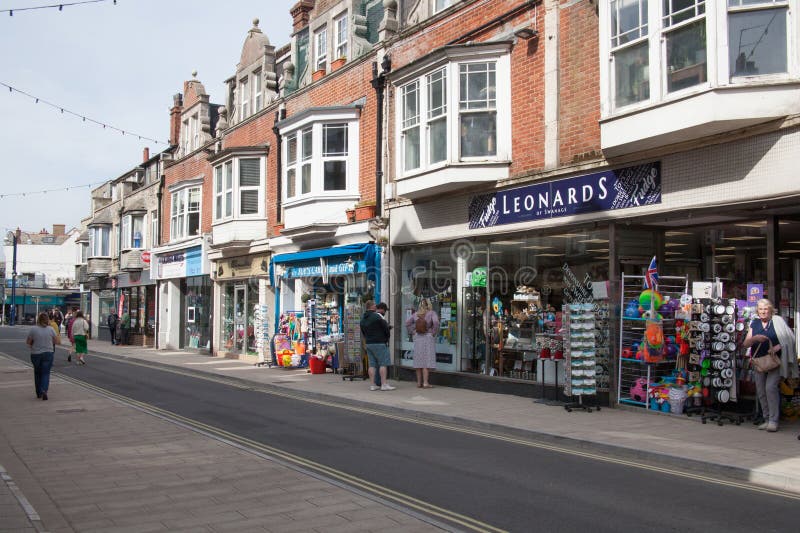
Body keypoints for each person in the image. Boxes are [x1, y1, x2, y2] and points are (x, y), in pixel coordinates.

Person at [742, 298, 798, 432]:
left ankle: (774, 420)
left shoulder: (777, 321)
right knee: (761, 391)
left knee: (770, 388)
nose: (763, 312)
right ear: (757, 311)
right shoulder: (754, 323)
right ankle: (766, 418)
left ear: (770, 310)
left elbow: (790, 338)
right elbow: (745, 343)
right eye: (760, 309)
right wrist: (755, 338)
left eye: (766, 309)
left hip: (774, 361)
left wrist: (778, 347)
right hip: (759, 362)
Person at [360, 300, 395, 391]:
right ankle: (384, 384)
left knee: (372, 365)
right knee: (383, 363)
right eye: (374, 305)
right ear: (372, 306)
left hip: (369, 343)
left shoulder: (363, 319)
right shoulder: (377, 317)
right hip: (379, 343)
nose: (376, 306)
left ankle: (373, 385)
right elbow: (386, 329)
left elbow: (363, 332)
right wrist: (386, 338)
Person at [405, 298, 439, 388]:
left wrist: (413, 332)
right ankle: (425, 383)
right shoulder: (432, 313)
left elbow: (407, 323)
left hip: (418, 338)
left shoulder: (416, 314)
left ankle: (419, 383)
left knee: (419, 360)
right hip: (428, 337)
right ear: (429, 304)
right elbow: (435, 322)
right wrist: (433, 332)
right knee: (426, 361)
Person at [26, 312, 59, 400]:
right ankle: (44, 390)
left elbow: (28, 342)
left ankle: (38, 392)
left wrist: (33, 345)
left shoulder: (33, 329)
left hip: (36, 354)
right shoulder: (51, 329)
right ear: (47, 320)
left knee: (37, 373)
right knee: (45, 373)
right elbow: (56, 342)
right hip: (48, 353)